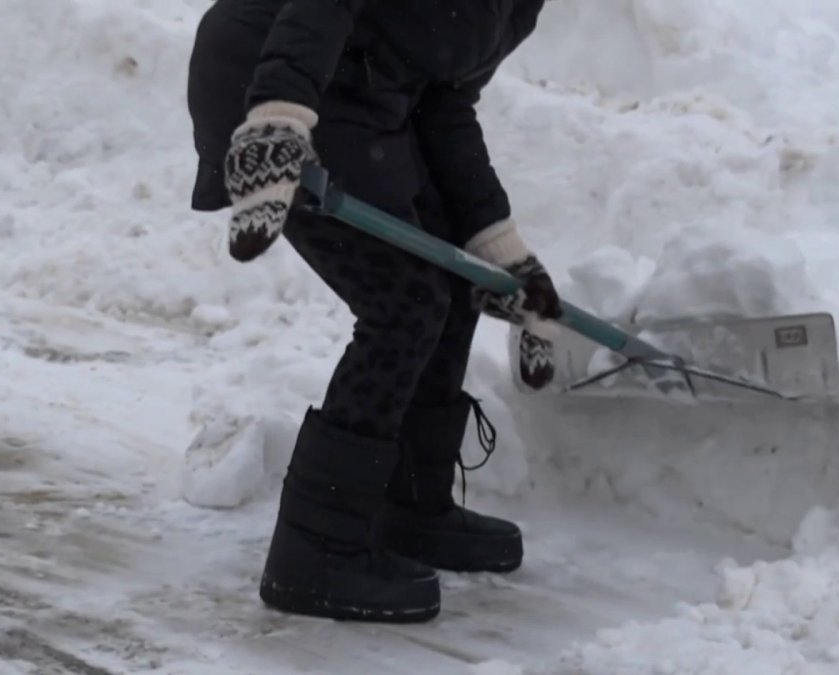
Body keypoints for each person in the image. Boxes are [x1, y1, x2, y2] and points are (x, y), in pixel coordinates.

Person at [185, 0, 562, 623]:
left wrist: (495, 243)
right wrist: (278, 120)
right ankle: (313, 552)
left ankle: (408, 504)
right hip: (269, 74)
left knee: (451, 272)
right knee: (403, 303)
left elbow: (443, 104)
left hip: (358, 95)